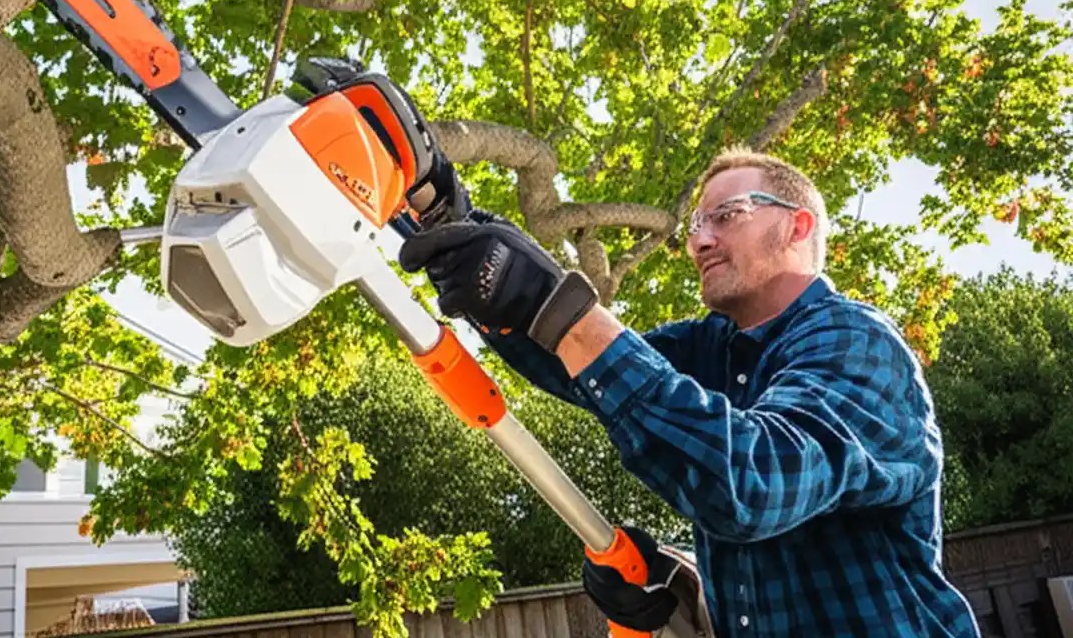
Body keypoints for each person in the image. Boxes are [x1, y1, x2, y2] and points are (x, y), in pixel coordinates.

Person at [398, 147, 981, 636]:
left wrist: (565, 310)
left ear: (798, 225)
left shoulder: (858, 344)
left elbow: (752, 482)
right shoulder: (713, 349)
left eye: (727, 215)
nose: (699, 240)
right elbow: (577, 365)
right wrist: (448, 221)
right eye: (697, 225)